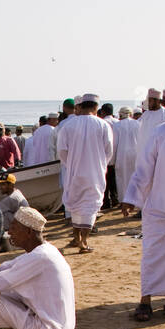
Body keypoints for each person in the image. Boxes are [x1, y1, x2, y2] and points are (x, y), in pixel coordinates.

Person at [122, 84, 165, 320]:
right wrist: (132, 198)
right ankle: (145, 301)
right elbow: (143, 171)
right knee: (152, 256)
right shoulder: (160, 133)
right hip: (159, 209)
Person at [55, 93, 113, 253]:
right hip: (95, 172)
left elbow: (62, 151)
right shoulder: (103, 125)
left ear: (80, 106)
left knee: (74, 202)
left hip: (74, 171)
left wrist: (71, 163)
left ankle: (76, 237)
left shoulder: (68, 125)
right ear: (96, 107)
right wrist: (100, 163)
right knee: (90, 204)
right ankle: (84, 241)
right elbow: (109, 151)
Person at [111, 107, 140, 204]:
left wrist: (112, 160)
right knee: (134, 176)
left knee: (121, 178)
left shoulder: (117, 125)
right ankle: (135, 199)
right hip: (135, 153)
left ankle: (124, 200)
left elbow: (114, 144)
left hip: (121, 154)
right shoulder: (137, 123)